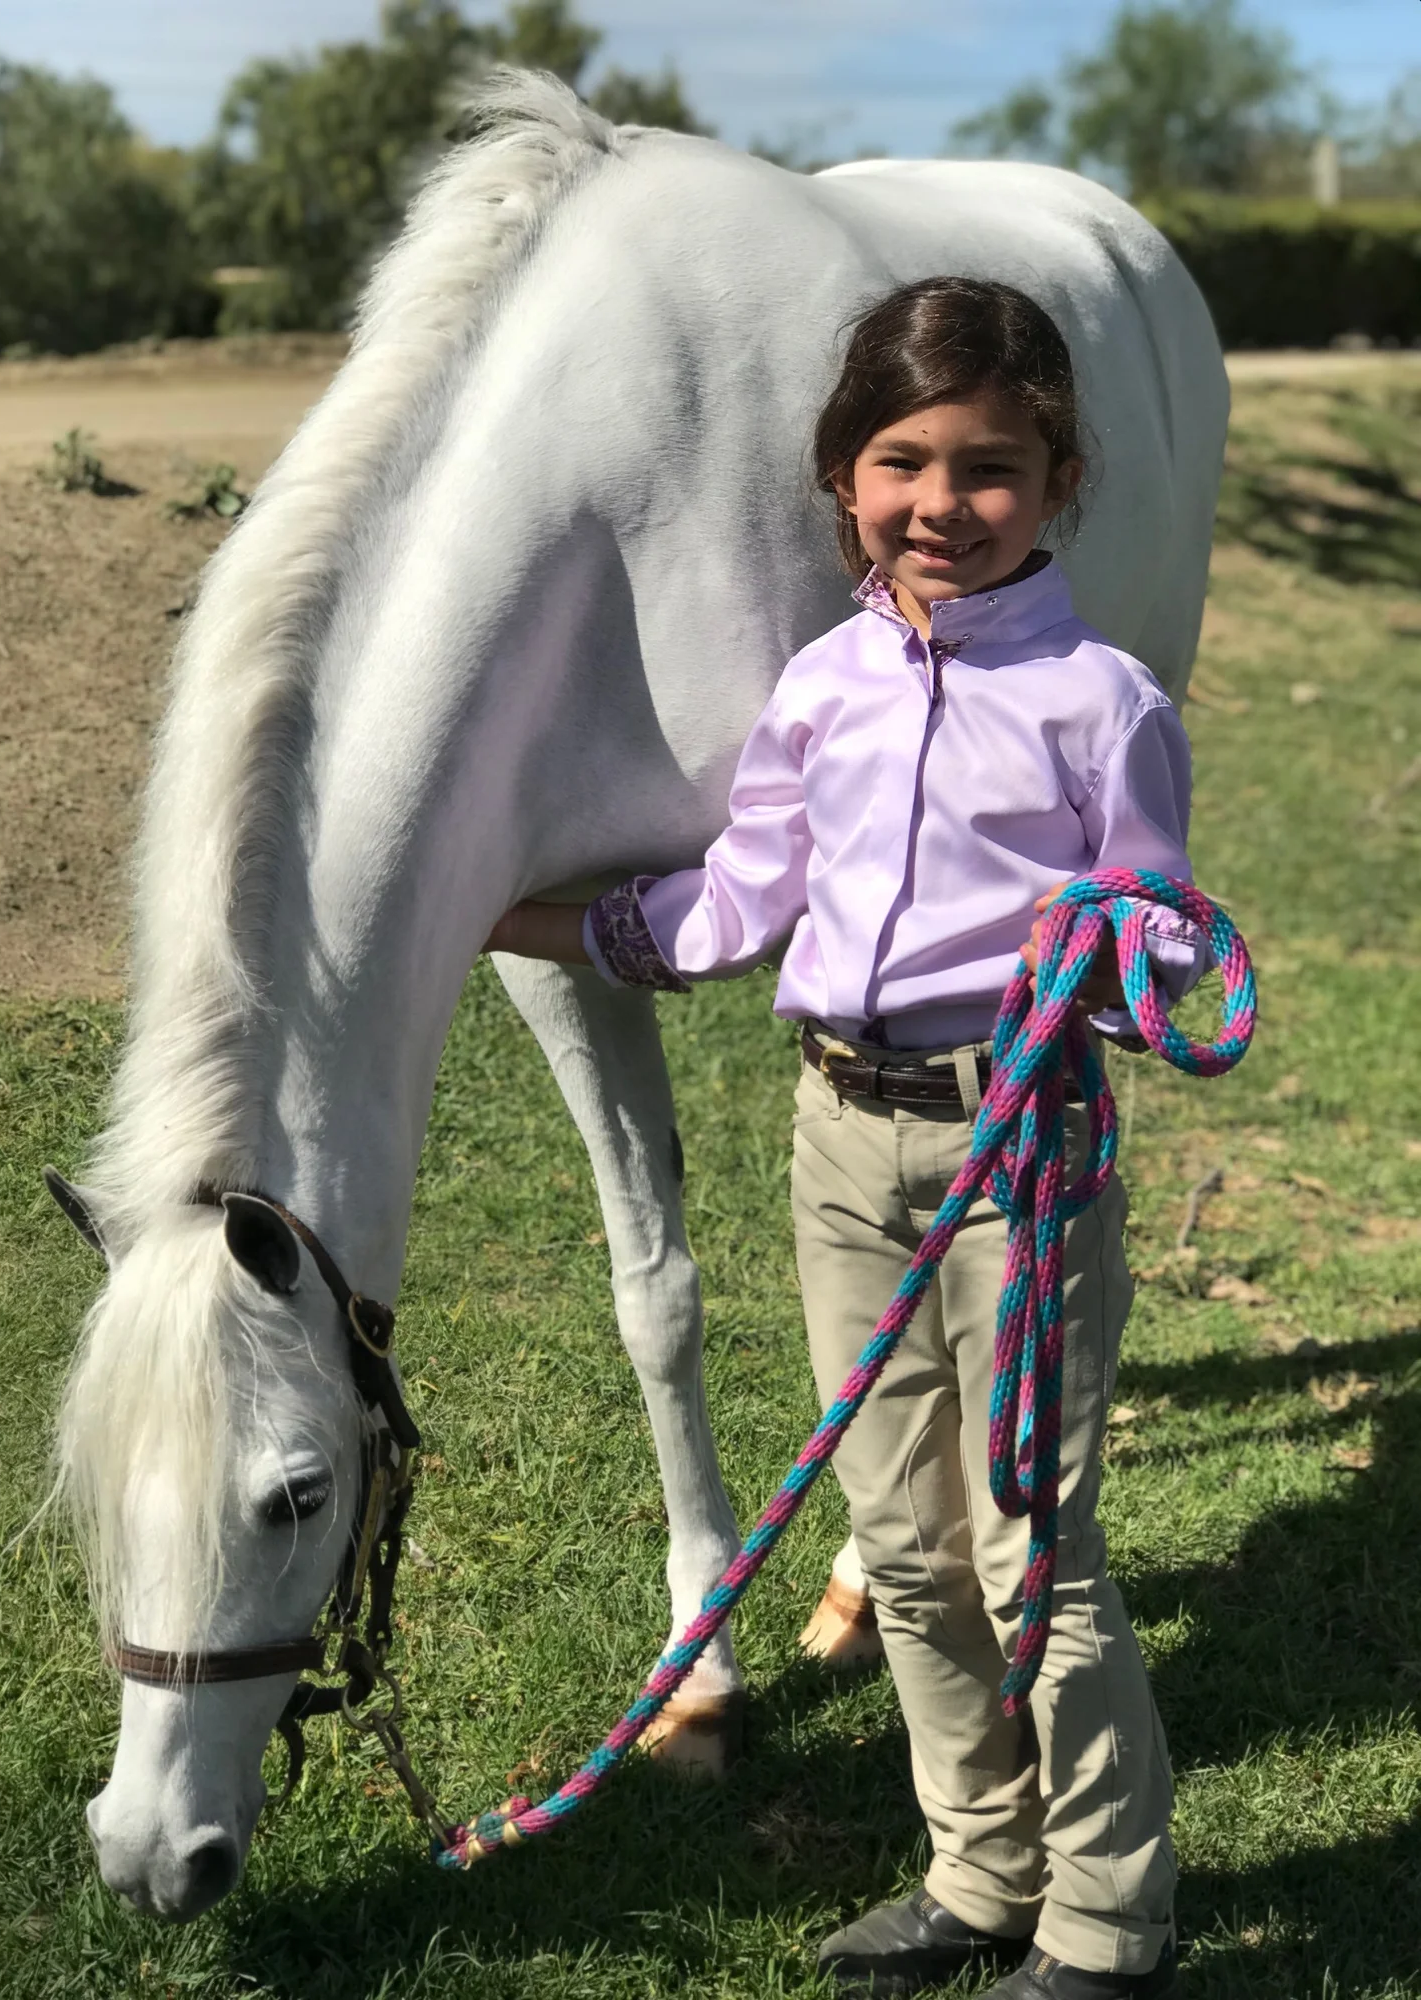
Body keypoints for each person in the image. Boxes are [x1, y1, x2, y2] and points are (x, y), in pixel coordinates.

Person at [485, 276, 1207, 1999]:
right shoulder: (822, 685)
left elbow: (1167, 933)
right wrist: (532, 923)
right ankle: (979, 1873)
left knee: (1038, 1553)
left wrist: (1129, 956)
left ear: (1055, 481)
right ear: (841, 478)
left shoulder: (1102, 703)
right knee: (899, 1544)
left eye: (990, 468)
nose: (941, 504)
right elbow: (743, 899)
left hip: (1015, 1156)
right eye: (903, 461)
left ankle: (1111, 1928)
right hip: (841, 1142)